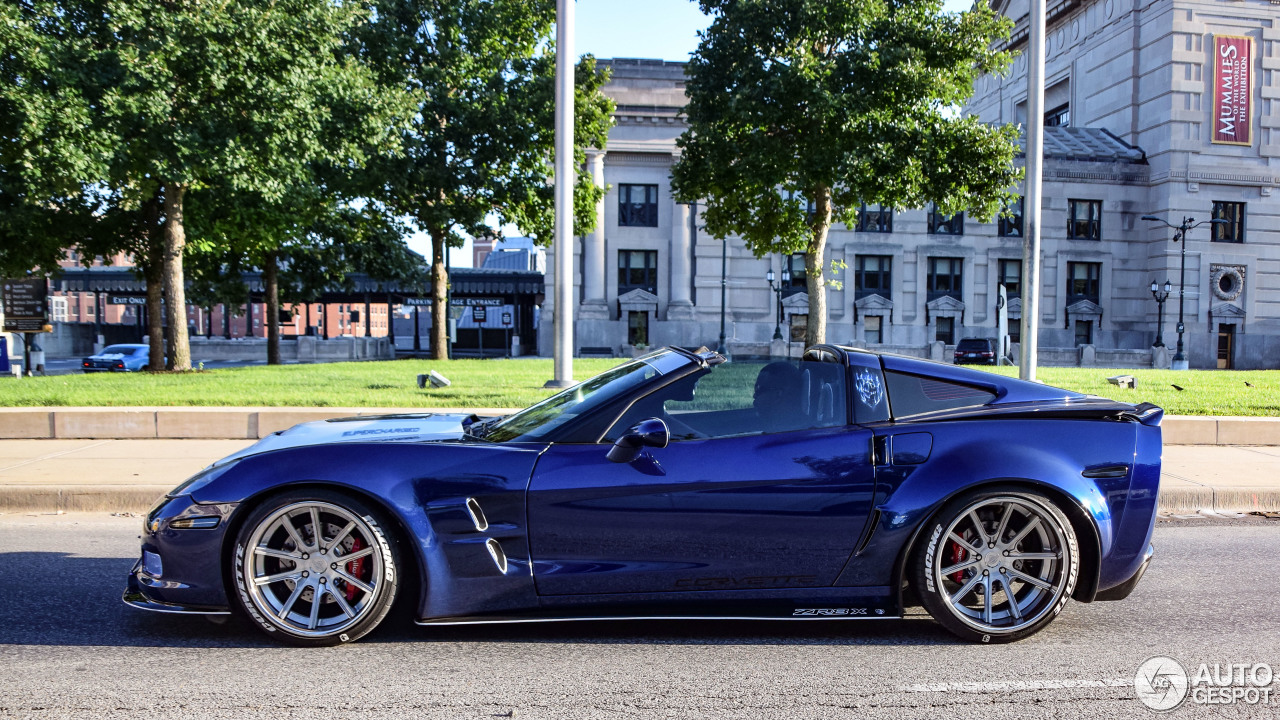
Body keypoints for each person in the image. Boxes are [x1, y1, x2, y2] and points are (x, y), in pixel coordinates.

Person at [752, 361, 808, 432]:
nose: (754, 395)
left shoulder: (789, 435)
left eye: (759, 390)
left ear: (779, 394)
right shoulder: (774, 428)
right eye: (756, 388)